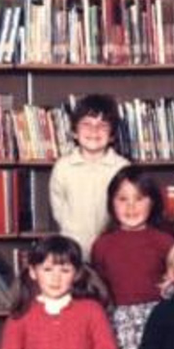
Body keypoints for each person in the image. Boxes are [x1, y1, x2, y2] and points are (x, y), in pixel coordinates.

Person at [90, 166, 174, 349]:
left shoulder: (164, 242)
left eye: (139, 198)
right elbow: (100, 292)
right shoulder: (103, 245)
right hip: (120, 326)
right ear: (111, 203)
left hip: (157, 324)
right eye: (123, 199)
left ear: (153, 202)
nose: (131, 207)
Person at [50, 94, 130, 257]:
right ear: (74, 132)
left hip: (113, 248)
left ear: (112, 135)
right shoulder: (63, 167)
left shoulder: (122, 167)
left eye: (103, 125)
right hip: (73, 248)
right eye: (86, 124)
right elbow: (59, 209)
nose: (94, 131)